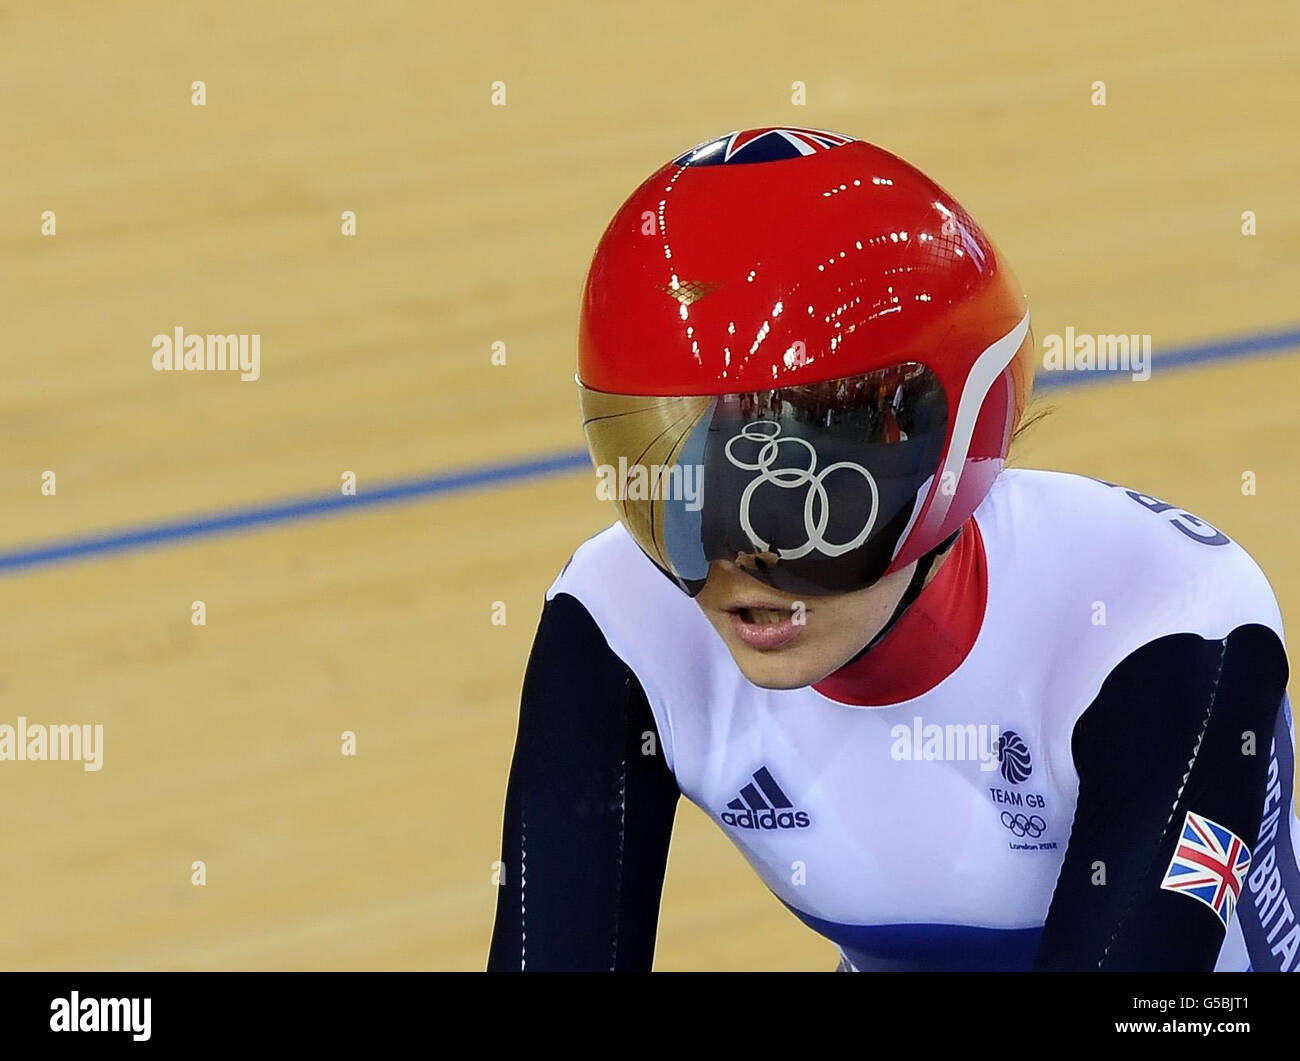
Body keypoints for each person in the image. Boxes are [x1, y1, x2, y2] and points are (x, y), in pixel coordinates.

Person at [487, 127, 1295, 972]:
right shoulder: (622, 619)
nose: (735, 563)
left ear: (942, 453)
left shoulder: (1164, 627)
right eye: (679, 493)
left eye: (804, 503)